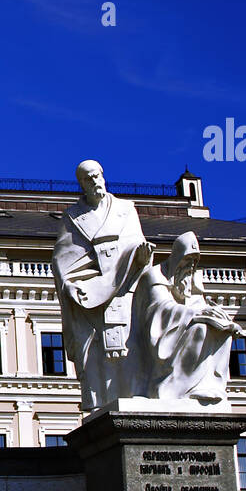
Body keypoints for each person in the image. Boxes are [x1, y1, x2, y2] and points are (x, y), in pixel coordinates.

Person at [51, 160, 155, 410]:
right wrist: (78, 285)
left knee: (130, 350)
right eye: (88, 179)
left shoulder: (125, 209)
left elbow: (136, 244)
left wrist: (141, 257)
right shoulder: (73, 217)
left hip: (126, 291)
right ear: (81, 184)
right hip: (90, 297)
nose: (95, 182)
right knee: (97, 356)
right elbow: (63, 259)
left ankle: (134, 402)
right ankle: (100, 408)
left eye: (97, 176)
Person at [129, 231, 243, 403]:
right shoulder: (155, 276)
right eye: (187, 260)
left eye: (194, 262)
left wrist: (220, 318)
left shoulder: (190, 280)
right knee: (200, 329)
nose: (190, 267)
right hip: (161, 335)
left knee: (221, 331)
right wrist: (196, 314)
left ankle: (208, 385)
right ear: (177, 259)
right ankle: (179, 387)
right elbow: (159, 309)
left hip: (182, 325)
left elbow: (200, 304)